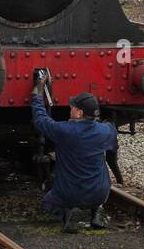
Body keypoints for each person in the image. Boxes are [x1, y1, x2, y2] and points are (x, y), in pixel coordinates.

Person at [30, 74, 122, 233]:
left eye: (72, 106)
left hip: (70, 193)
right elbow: (112, 153)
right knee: (98, 172)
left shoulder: (64, 130)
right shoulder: (107, 131)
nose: (69, 108)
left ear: (79, 113)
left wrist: (37, 91)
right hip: (100, 193)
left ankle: (69, 212)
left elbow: (40, 119)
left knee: (48, 203)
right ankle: (97, 210)